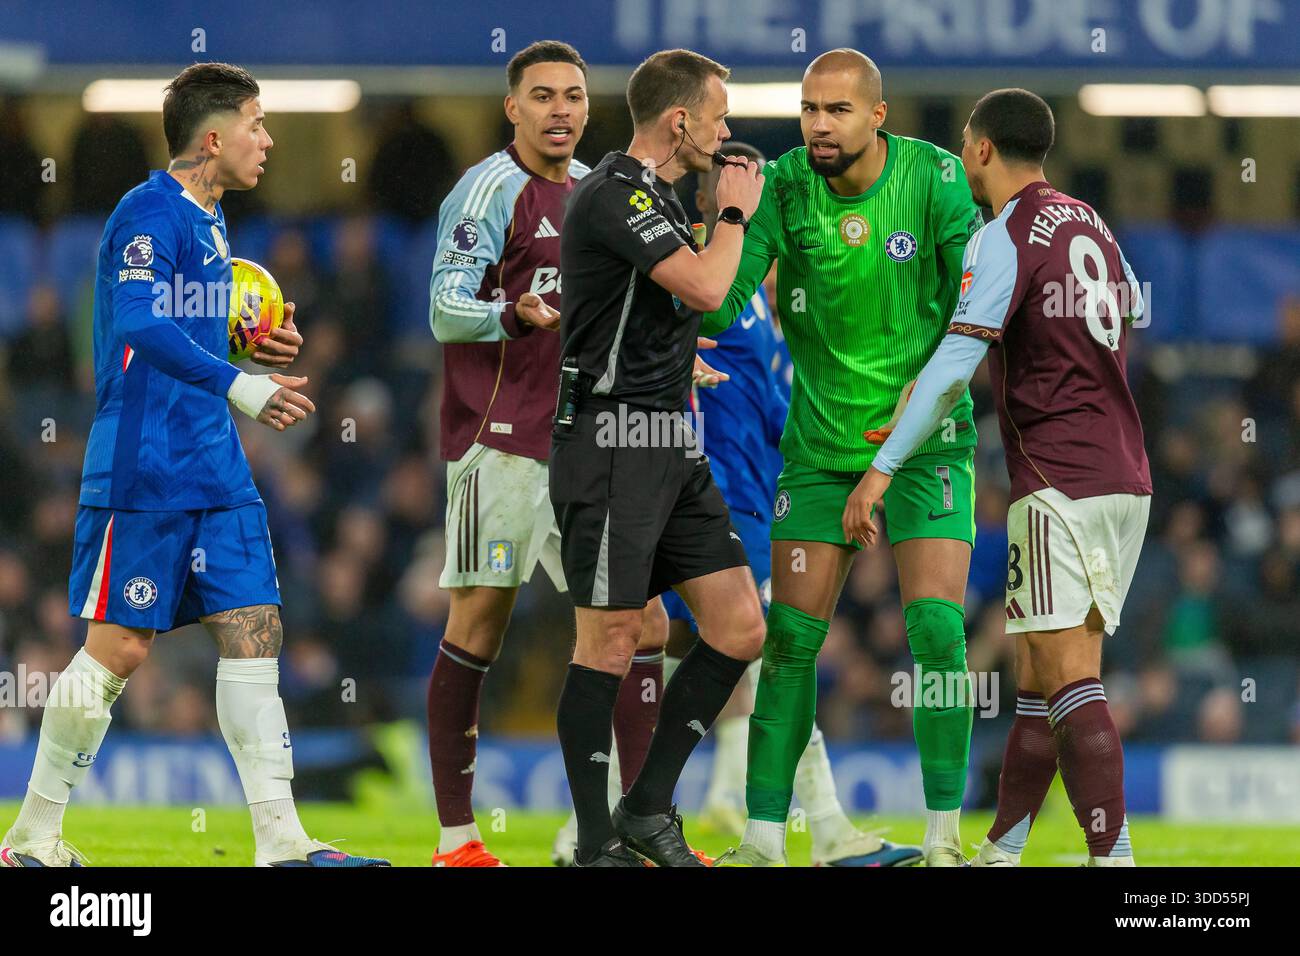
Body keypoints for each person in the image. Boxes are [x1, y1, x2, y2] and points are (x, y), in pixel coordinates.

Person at [0, 62, 388, 867]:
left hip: (217, 468)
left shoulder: (213, 224)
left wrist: (249, 347)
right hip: (145, 466)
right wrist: (240, 383)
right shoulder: (147, 212)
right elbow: (139, 320)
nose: (269, 140)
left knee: (255, 631)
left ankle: (281, 844)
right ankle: (33, 835)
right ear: (214, 138)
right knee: (121, 649)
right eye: (257, 123)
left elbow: (187, 330)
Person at [855, 88, 1151, 867]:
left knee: (1068, 679)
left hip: (1059, 479)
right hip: (1125, 474)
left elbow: (959, 361)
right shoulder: (1093, 222)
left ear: (981, 149)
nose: (960, 158)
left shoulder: (1003, 236)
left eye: (963, 145)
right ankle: (1004, 845)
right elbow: (1125, 327)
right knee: (1036, 674)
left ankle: (1114, 859)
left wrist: (884, 467)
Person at [705, 49, 984, 867]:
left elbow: (973, 312)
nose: (818, 125)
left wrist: (918, 407)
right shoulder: (784, 185)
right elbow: (722, 299)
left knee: (936, 628)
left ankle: (942, 837)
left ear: (877, 116)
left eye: (836, 110)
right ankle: (762, 840)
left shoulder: (935, 179)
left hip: (929, 440)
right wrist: (724, 222)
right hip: (821, 454)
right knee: (789, 642)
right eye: (808, 109)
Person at [427, 41, 672, 867]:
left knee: (640, 626)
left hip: (584, 444)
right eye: (542, 96)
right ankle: (457, 839)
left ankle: (628, 831)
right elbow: (442, 306)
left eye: (572, 95)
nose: (561, 110)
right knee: (478, 628)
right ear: (513, 108)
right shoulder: (490, 190)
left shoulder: (603, 190)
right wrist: (510, 311)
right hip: (499, 447)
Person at [658, 141, 921, 866]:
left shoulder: (766, 311)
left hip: (746, 503)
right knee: (773, 649)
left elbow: (783, 416)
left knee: (663, 650)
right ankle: (825, 829)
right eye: (763, 196)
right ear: (724, 204)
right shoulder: (714, 292)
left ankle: (624, 813)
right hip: (712, 501)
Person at [551, 48, 766, 867]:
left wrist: (679, 358)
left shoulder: (663, 203)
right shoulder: (614, 192)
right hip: (610, 446)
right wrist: (734, 213)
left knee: (741, 627)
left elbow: (660, 307)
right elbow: (708, 287)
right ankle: (598, 843)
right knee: (609, 641)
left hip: (670, 441)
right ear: (680, 121)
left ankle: (646, 809)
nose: (726, 130)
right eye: (718, 114)